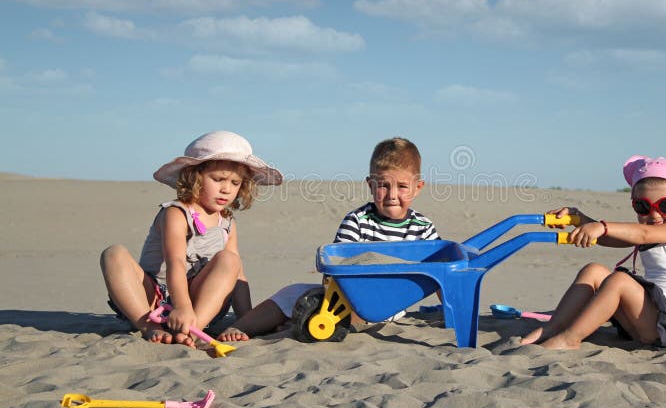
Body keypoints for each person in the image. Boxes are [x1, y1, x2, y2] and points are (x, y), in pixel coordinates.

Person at [219, 137, 439, 341]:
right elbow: (336, 268)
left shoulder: (423, 228)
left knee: (329, 316)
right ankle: (241, 327)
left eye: (402, 187)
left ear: (417, 188)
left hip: (387, 307)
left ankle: (296, 325)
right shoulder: (358, 221)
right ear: (371, 185)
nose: (392, 195)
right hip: (348, 295)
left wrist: (450, 309)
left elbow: (444, 272)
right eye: (383, 185)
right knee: (293, 293)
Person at [100, 130, 282, 347]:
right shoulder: (177, 213)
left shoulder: (227, 223)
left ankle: (192, 332)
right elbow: (174, 261)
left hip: (199, 307)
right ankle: (150, 328)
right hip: (152, 301)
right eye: (218, 179)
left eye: (235, 183)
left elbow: (237, 277)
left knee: (231, 260)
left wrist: (246, 321)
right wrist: (181, 306)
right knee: (113, 254)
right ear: (194, 177)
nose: (226, 189)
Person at [520, 155, 666, 350]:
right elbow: (607, 238)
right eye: (643, 206)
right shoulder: (651, 230)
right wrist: (580, 219)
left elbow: (642, 234)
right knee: (593, 271)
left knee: (619, 280)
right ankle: (553, 327)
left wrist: (601, 226)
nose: (655, 215)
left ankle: (569, 339)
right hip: (643, 319)